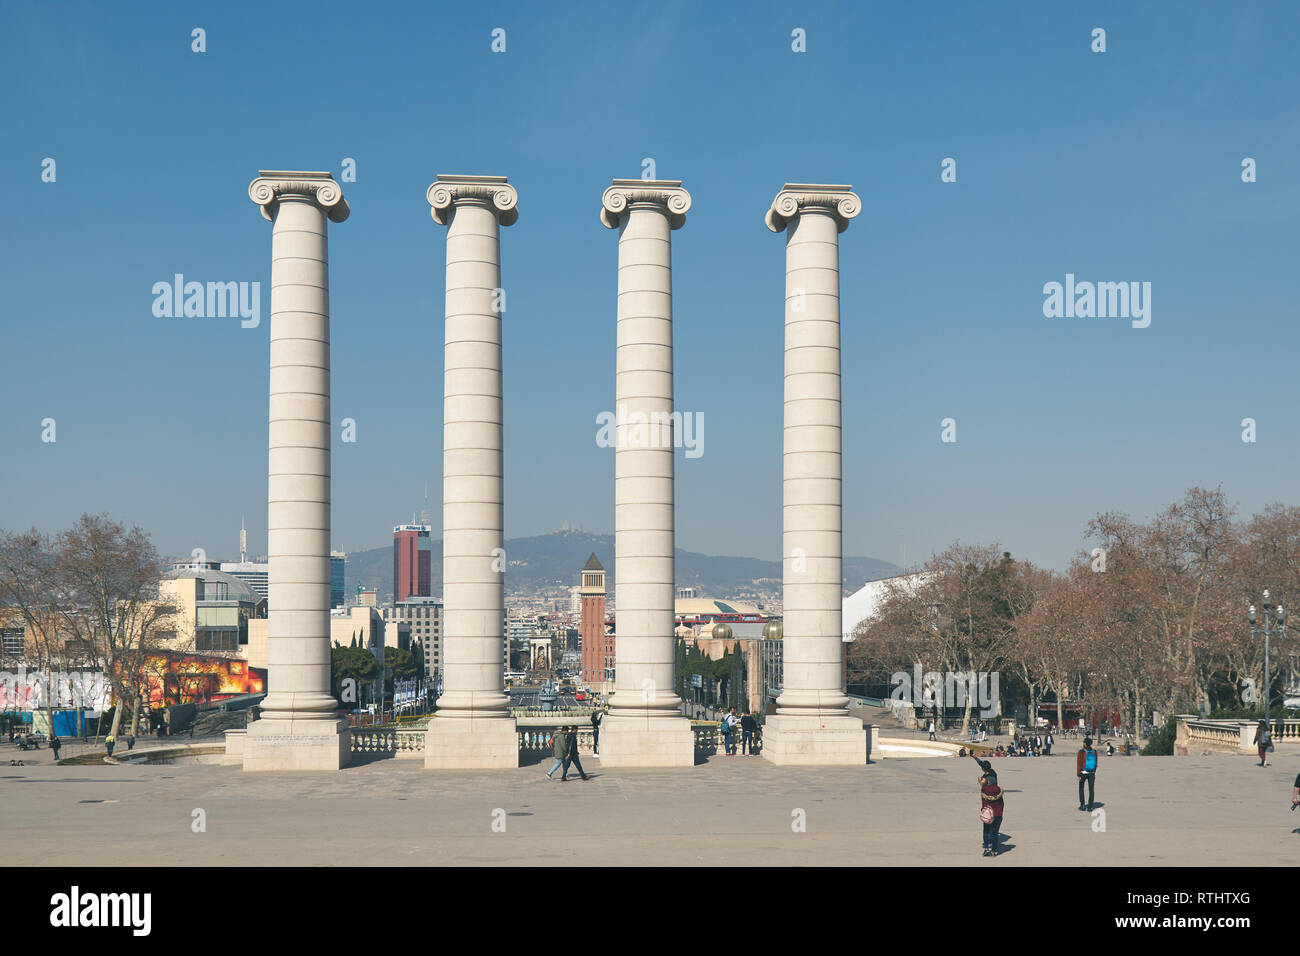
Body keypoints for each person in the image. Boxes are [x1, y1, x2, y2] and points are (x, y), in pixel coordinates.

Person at [979, 770, 1005, 857]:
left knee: (986, 831)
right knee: (995, 833)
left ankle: (986, 849)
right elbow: (1002, 803)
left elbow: (983, 803)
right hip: (997, 814)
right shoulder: (999, 790)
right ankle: (994, 851)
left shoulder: (984, 790)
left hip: (988, 814)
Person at [1077, 736, 1098, 811]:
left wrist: (1078, 774)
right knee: (1091, 789)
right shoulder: (1094, 751)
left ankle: (1082, 805)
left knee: (1081, 788)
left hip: (1083, 772)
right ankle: (1090, 806)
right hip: (1091, 772)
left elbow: (1079, 763)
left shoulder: (1081, 751)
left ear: (1085, 744)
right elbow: (1096, 763)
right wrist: (1093, 771)